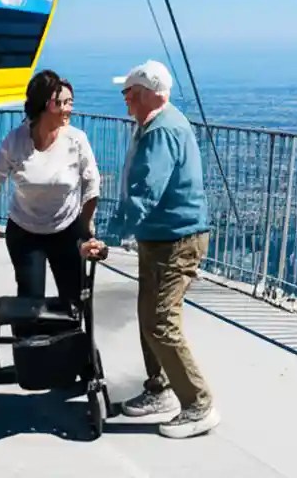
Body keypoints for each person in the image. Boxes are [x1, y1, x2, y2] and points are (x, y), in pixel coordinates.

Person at [81, 59, 220, 439]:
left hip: (177, 239)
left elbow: (145, 192)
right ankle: (160, 389)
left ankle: (198, 403)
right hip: (161, 238)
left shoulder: (162, 131)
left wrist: (107, 237)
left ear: (145, 94)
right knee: (149, 316)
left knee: (160, 319)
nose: (124, 101)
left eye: (128, 94)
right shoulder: (155, 124)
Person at [0, 70, 100, 311]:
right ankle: (29, 347)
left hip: (66, 229)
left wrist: (87, 228)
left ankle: (67, 346)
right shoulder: (16, 140)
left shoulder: (77, 140)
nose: (68, 109)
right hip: (25, 231)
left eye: (70, 102)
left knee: (73, 303)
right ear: (44, 105)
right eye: (61, 103)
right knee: (31, 304)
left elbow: (91, 185)